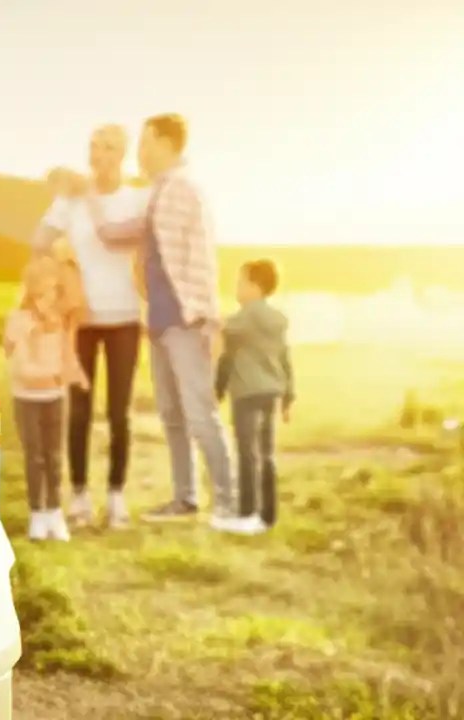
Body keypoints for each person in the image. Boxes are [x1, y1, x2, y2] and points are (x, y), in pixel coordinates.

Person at [89, 113, 238, 530]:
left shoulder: (185, 190)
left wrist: (206, 316)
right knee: (172, 414)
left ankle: (229, 501)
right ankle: (185, 498)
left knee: (200, 412)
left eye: (145, 143)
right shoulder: (159, 194)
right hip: (158, 322)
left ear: (167, 143)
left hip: (186, 320)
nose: (140, 152)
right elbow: (119, 233)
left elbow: (202, 258)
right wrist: (92, 199)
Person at [32, 126, 150, 529]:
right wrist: (67, 271)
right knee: (78, 411)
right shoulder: (71, 201)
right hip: (80, 321)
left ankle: (116, 498)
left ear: (123, 154)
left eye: (109, 148)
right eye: (95, 147)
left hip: (125, 320)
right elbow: (39, 241)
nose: (100, 154)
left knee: (120, 412)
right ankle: (80, 497)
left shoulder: (137, 198)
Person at [3, 251, 89, 542]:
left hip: (55, 396)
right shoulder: (19, 320)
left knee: (54, 457)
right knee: (35, 456)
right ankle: (36, 513)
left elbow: (66, 354)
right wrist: (47, 375)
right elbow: (19, 363)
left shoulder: (59, 321)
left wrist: (76, 375)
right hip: (28, 398)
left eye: (55, 289)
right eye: (48, 288)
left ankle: (55, 512)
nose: (53, 295)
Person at [215, 259, 294, 534]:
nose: (236, 288)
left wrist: (218, 390)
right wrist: (288, 397)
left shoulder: (245, 317)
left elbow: (226, 353)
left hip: (247, 392)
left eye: (240, 282)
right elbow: (285, 359)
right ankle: (269, 514)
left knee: (246, 453)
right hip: (272, 390)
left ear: (255, 287)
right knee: (267, 454)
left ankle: (247, 513)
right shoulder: (277, 321)